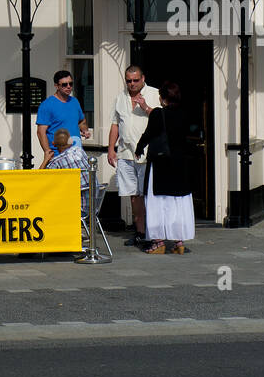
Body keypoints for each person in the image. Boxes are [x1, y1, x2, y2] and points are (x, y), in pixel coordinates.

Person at [135, 80, 195, 254]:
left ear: (162, 98)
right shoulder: (184, 114)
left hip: (161, 163)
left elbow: (148, 134)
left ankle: (158, 242)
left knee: (157, 201)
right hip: (180, 163)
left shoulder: (158, 114)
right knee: (177, 201)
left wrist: (139, 148)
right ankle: (179, 242)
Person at [107, 64, 160, 248]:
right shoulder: (120, 97)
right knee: (133, 195)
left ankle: (153, 235)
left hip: (147, 153)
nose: (132, 84)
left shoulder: (154, 94)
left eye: (135, 80)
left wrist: (145, 106)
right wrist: (111, 148)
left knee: (148, 195)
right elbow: (115, 124)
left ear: (143, 78)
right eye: (128, 80)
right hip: (125, 153)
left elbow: (162, 120)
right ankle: (140, 232)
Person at [36, 71, 91, 164]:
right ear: (56, 86)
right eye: (64, 84)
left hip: (76, 153)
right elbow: (41, 132)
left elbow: (81, 121)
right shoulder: (47, 105)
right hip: (58, 155)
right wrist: (47, 151)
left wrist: (85, 130)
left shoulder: (74, 101)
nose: (68, 86)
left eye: (71, 84)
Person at [45, 128, 98, 219]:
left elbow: (41, 181)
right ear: (70, 142)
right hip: (94, 206)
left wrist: (45, 160)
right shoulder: (79, 151)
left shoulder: (56, 162)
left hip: (76, 209)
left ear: (53, 144)